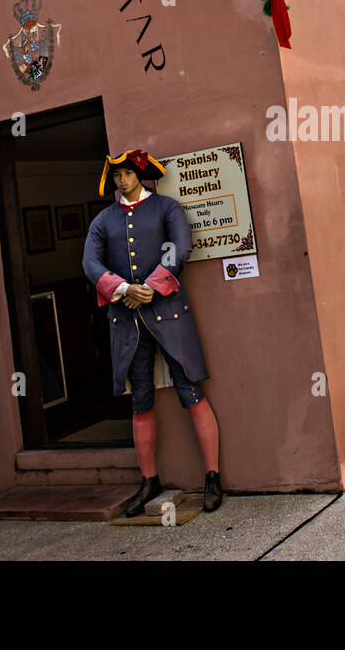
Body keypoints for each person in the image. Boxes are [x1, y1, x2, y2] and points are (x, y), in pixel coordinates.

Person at [81, 148, 223, 516]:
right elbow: (90, 263)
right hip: (126, 322)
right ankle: (149, 480)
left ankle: (212, 476)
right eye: (116, 176)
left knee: (189, 390)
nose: (121, 180)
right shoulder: (103, 220)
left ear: (139, 174)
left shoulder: (166, 208)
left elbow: (181, 247)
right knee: (140, 401)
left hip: (169, 315)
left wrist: (149, 286)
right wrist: (125, 290)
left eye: (127, 173)